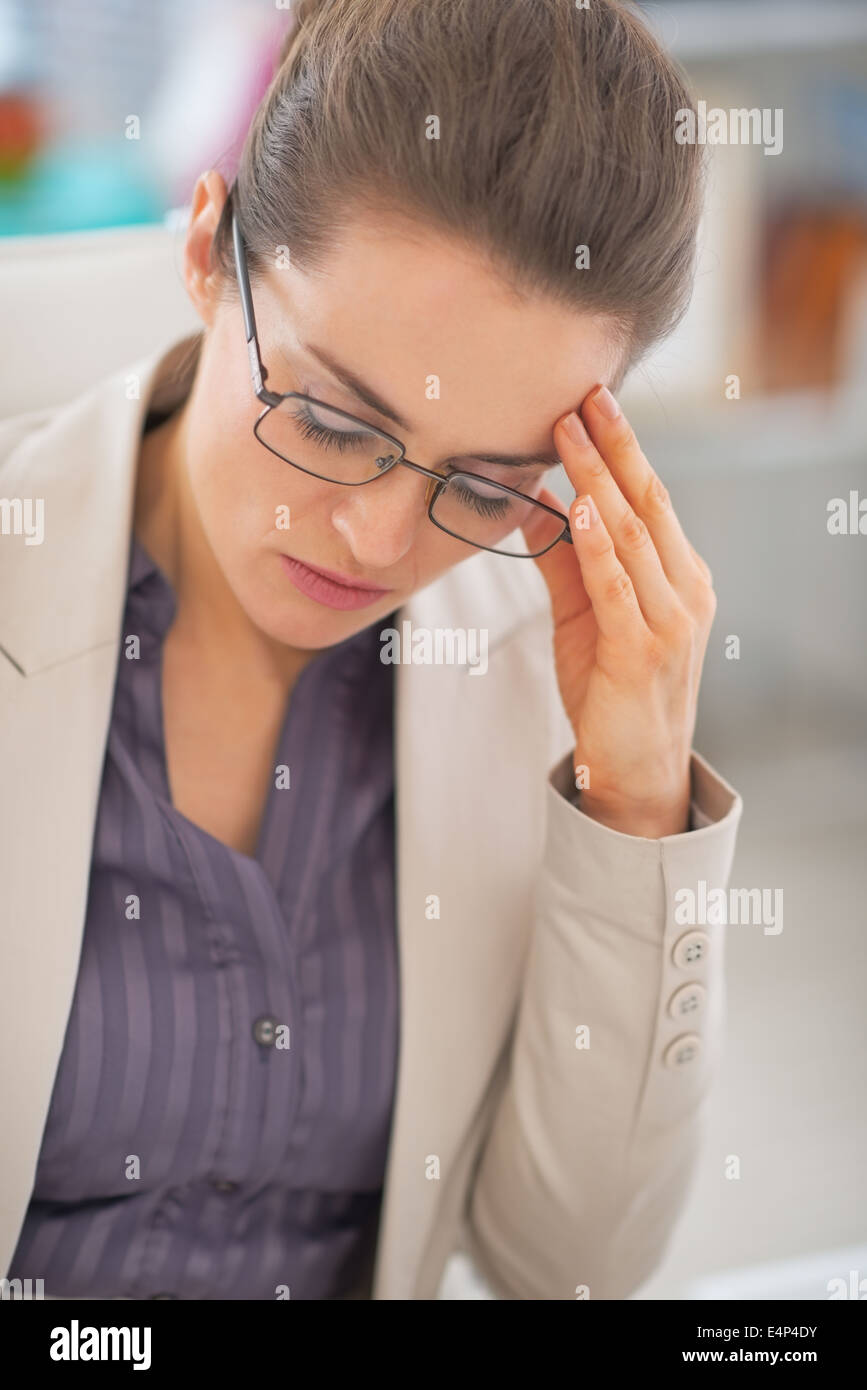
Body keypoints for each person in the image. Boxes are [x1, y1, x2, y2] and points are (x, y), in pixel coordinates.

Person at [0, 0, 743, 1300]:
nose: (380, 537)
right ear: (205, 246)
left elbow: (564, 1264)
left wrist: (637, 805)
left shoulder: (546, 670)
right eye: (336, 420)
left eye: (493, 481)